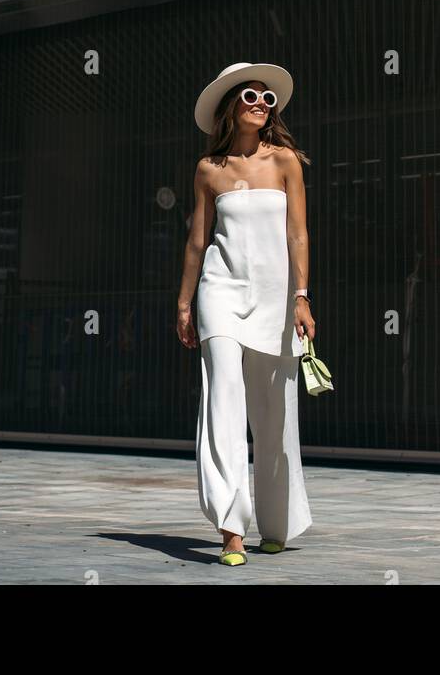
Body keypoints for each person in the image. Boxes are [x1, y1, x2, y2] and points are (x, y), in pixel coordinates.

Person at [177, 61, 315, 566]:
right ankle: (231, 528)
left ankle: (274, 524)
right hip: (220, 293)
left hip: (276, 297)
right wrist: (185, 302)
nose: (261, 103)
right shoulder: (209, 169)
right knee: (224, 403)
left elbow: (298, 234)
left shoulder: (285, 162)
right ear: (231, 106)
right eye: (250, 96)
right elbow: (198, 239)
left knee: (274, 414)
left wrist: (303, 296)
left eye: (266, 98)